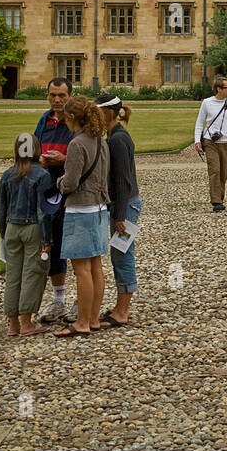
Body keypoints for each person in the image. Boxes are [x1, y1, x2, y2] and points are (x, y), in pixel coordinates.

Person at [53, 96, 110, 338]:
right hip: (99, 209)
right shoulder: (101, 142)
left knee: (81, 269)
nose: (63, 121)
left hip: (81, 210)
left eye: (65, 117)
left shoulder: (77, 144)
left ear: (73, 118)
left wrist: (58, 182)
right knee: (96, 265)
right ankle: (94, 318)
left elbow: (71, 183)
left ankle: (83, 322)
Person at [0, 133, 53, 337]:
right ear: (36, 149)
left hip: (12, 227)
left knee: (13, 275)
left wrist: (4, 233)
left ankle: (13, 324)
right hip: (33, 228)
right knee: (32, 273)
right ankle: (27, 323)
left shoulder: (8, 174)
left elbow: (0, 209)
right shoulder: (42, 176)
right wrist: (47, 240)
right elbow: (44, 211)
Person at [34, 78, 76, 323]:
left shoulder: (76, 119)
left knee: (80, 248)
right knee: (53, 245)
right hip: (49, 190)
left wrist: (64, 159)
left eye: (61, 95)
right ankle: (59, 300)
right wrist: (40, 159)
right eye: (53, 95)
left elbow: (88, 151)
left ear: (70, 95)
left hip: (73, 191)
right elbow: (34, 146)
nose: (57, 100)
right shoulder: (44, 119)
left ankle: (83, 300)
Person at [96, 94, 139, 329]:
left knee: (123, 255)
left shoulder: (117, 140)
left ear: (109, 113)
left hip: (126, 205)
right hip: (124, 203)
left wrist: (120, 215)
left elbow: (123, 181)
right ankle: (120, 306)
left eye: (98, 112)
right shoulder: (114, 135)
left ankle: (122, 310)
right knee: (119, 254)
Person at [193, 75, 227, 212]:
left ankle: (219, 198)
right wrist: (197, 140)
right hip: (210, 141)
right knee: (215, 170)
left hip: (226, 142)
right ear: (218, 89)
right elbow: (200, 122)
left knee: (224, 172)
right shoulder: (207, 103)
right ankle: (216, 201)